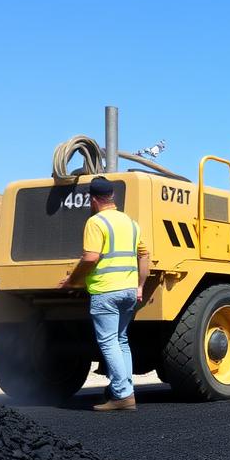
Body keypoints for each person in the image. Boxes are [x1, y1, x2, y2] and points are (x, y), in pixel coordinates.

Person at [57, 176, 151, 412]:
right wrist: (140, 286)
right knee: (121, 341)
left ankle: (122, 395)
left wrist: (72, 280)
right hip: (129, 291)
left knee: (109, 342)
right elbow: (144, 256)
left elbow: (91, 257)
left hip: (106, 290)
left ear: (93, 199)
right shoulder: (131, 223)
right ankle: (125, 389)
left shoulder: (96, 222)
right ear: (111, 197)